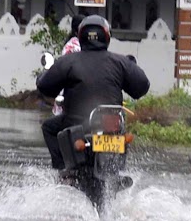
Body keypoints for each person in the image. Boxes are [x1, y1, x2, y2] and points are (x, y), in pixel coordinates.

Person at [36, 15, 151, 176]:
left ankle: (62, 170)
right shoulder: (120, 62)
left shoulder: (68, 61)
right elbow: (142, 87)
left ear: (80, 36)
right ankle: (116, 171)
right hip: (111, 124)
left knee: (48, 127)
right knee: (121, 132)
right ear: (107, 36)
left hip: (76, 122)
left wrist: (45, 73)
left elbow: (45, 87)